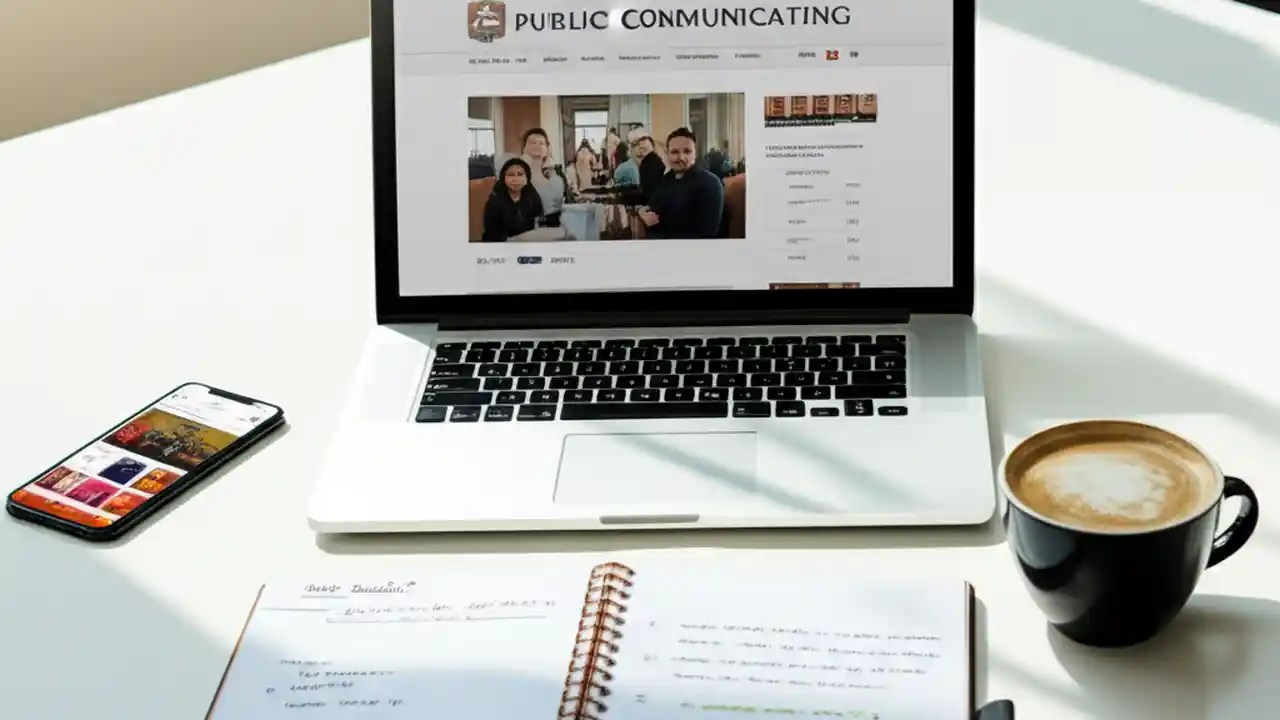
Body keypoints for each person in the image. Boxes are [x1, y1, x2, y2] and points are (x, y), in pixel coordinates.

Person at [638, 128, 724, 239]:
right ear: (667, 154)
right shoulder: (667, 179)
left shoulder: (709, 183)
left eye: (687, 151)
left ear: (695, 154)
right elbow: (652, 206)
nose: (681, 158)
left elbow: (707, 234)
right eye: (675, 152)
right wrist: (642, 213)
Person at [482, 157, 544, 242]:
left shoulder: (533, 197)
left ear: (527, 178)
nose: (515, 179)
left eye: (520, 174)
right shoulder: (494, 203)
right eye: (511, 175)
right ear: (504, 178)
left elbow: (538, 226)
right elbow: (492, 234)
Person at [512, 127, 566, 227]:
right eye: (532, 143)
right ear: (524, 148)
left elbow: (559, 206)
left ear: (547, 149)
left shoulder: (556, 178)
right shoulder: (515, 175)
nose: (537, 146)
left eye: (541, 143)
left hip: (552, 227)